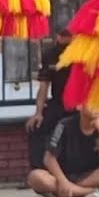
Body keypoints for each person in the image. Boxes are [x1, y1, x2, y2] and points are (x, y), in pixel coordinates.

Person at [26, 107, 99, 197]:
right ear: (79, 106)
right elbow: (48, 158)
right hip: (62, 175)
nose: (96, 107)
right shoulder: (64, 124)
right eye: (92, 102)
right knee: (35, 177)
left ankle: (71, 190)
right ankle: (90, 191)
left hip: (90, 177)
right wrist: (63, 181)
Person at [26, 28, 73, 170]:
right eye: (63, 36)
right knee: (36, 127)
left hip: (81, 105)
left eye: (69, 36)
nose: (65, 39)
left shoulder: (83, 53)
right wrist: (38, 113)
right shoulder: (51, 55)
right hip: (59, 102)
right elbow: (44, 86)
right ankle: (39, 171)